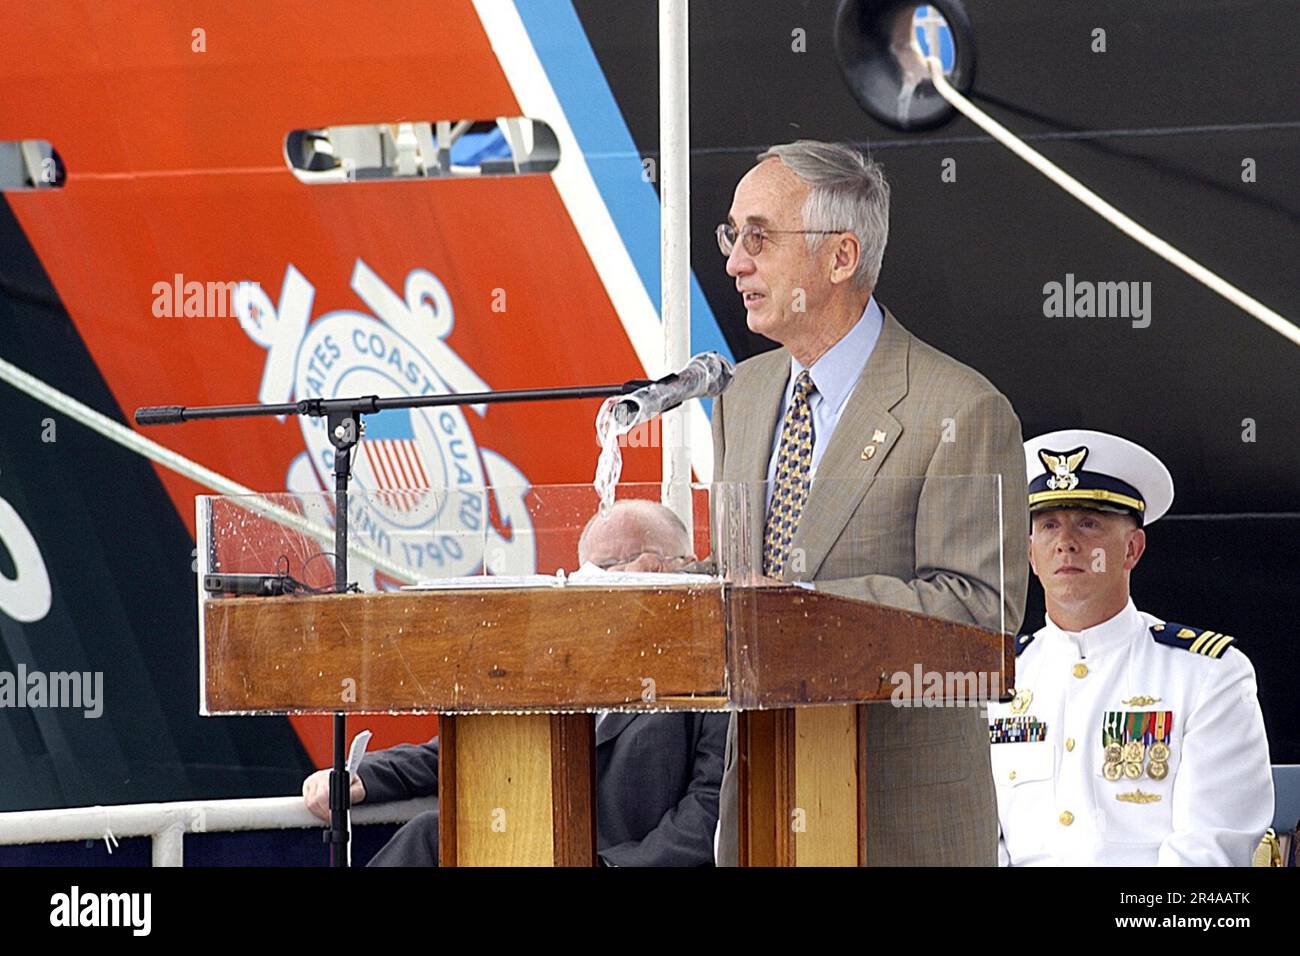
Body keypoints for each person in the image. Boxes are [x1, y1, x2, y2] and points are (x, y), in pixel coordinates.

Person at [712, 140, 1029, 866]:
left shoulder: (962, 408)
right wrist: (665, 574)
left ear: (841, 257)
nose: (735, 261)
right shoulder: (743, 396)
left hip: (899, 825)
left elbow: (980, 615)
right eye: (733, 235)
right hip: (761, 817)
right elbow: (744, 577)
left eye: (759, 236)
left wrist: (797, 605)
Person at [302, 499, 727, 866]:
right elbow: (467, 750)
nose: (604, 580)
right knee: (429, 835)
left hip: (624, 859)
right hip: (537, 848)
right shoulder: (562, 660)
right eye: (593, 570)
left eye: (620, 563)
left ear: (683, 566)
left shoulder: (716, 666)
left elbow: (712, 805)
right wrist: (360, 776)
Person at [992, 428, 1274, 865]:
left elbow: (1209, 850)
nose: (1066, 542)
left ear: (1132, 548)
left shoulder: (1210, 675)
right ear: (1030, 553)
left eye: (1088, 523)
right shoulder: (1000, 678)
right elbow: (977, 839)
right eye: (1049, 525)